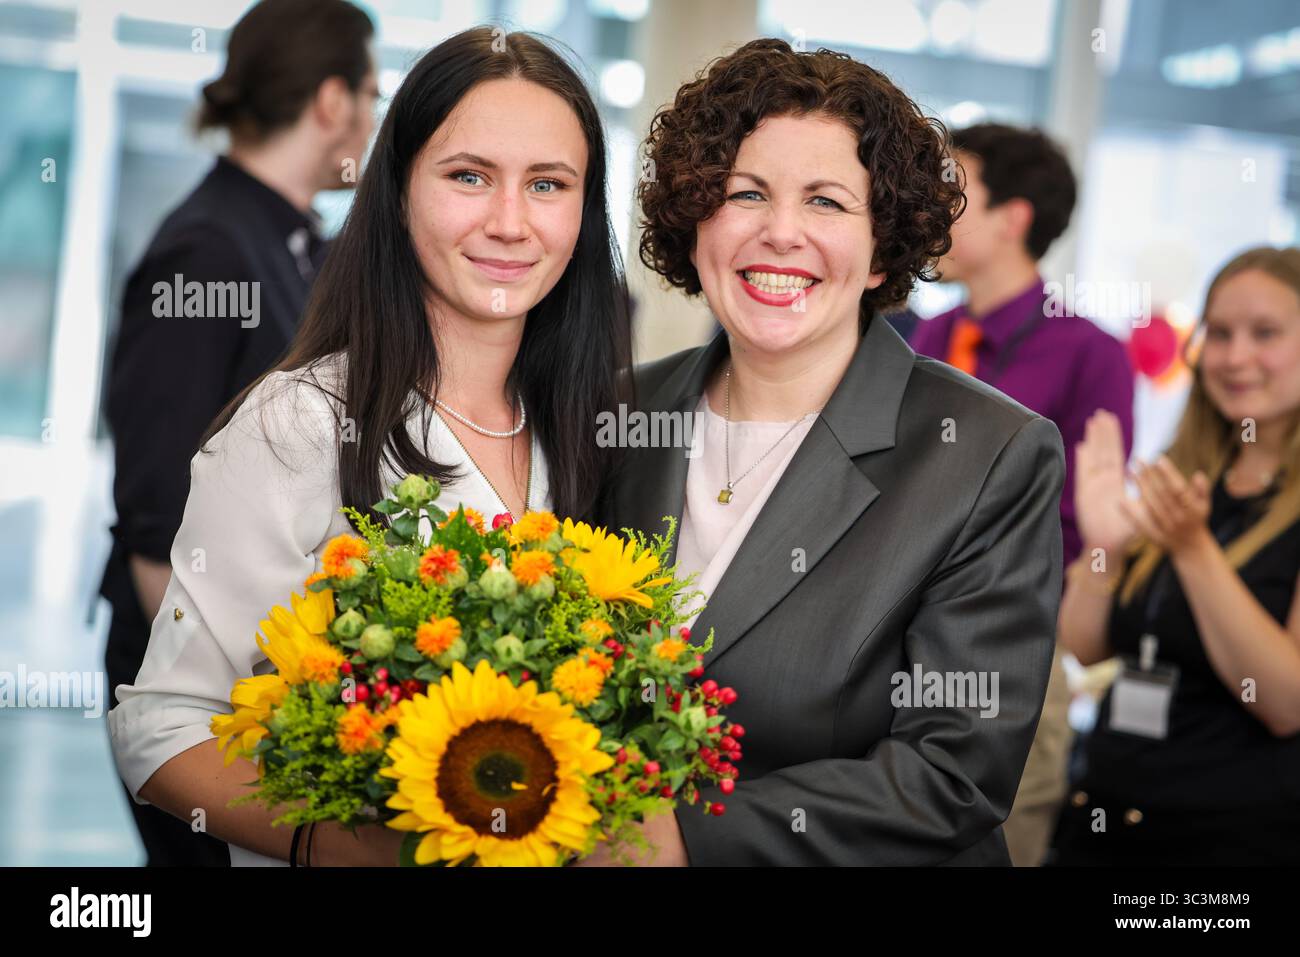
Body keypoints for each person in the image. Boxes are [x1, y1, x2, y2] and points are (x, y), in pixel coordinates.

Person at [108, 26, 633, 867]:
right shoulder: (301, 422)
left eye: (548, 183)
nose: (510, 221)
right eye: (468, 177)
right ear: (395, 192)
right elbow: (161, 727)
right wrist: (344, 845)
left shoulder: (587, 427)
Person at [587, 39, 1065, 865]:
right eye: (745, 193)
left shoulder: (989, 452)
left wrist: (682, 838)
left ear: (883, 247)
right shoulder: (618, 410)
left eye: (827, 203)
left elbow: (954, 773)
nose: (780, 233)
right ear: (694, 219)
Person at [99, 0, 377, 866]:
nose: (373, 119)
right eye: (371, 94)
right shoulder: (212, 248)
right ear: (331, 100)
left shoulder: (296, 242)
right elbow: (151, 496)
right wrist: (214, 700)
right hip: (197, 686)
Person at [910, 123, 1136, 866]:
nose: (931, 208)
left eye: (955, 192)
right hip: (894, 641)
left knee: (1003, 836)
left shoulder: (1090, 353)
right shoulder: (920, 339)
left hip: (1012, 653)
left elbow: (1080, 521)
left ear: (1012, 218)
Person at [1054, 247, 1300, 866]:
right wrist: (1105, 549)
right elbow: (1085, 646)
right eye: (1219, 333)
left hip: (1229, 844)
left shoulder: (1190, 517)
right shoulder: (1188, 480)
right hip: (1106, 815)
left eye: (1265, 333)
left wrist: (1194, 551)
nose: (1234, 357)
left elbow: (1285, 703)